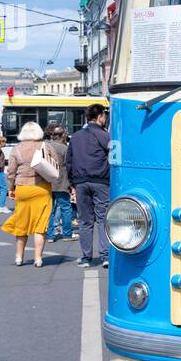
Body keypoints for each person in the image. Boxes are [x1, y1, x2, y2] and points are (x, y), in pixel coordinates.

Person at [3, 122, 55, 267]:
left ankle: (19, 257)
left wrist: (10, 188)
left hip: (22, 189)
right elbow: (54, 164)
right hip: (42, 188)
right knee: (40, 225)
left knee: (22, 223)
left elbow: (11, 173)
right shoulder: (46, 146)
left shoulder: (16, 149)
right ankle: (38, 258)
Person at [67, 103, 110, 268]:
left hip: (80, 183)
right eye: (104, 115)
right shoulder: (105, 136)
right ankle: (105, 256)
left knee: (85, 221)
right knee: (103, 219)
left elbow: (68, 162)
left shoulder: (76, 137)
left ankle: (86, 257)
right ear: (100, 117)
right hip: (101, 182)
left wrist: (72, 183)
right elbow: (113, 158)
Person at [44, 124, 74, 242]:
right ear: (63, 135)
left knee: (49, 210)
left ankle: (49, 235)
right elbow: (69, 166)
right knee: (66, 208)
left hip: (47, 182)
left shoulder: (45, 146)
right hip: (61, 182)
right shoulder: (64, 149)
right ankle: (67, 234)